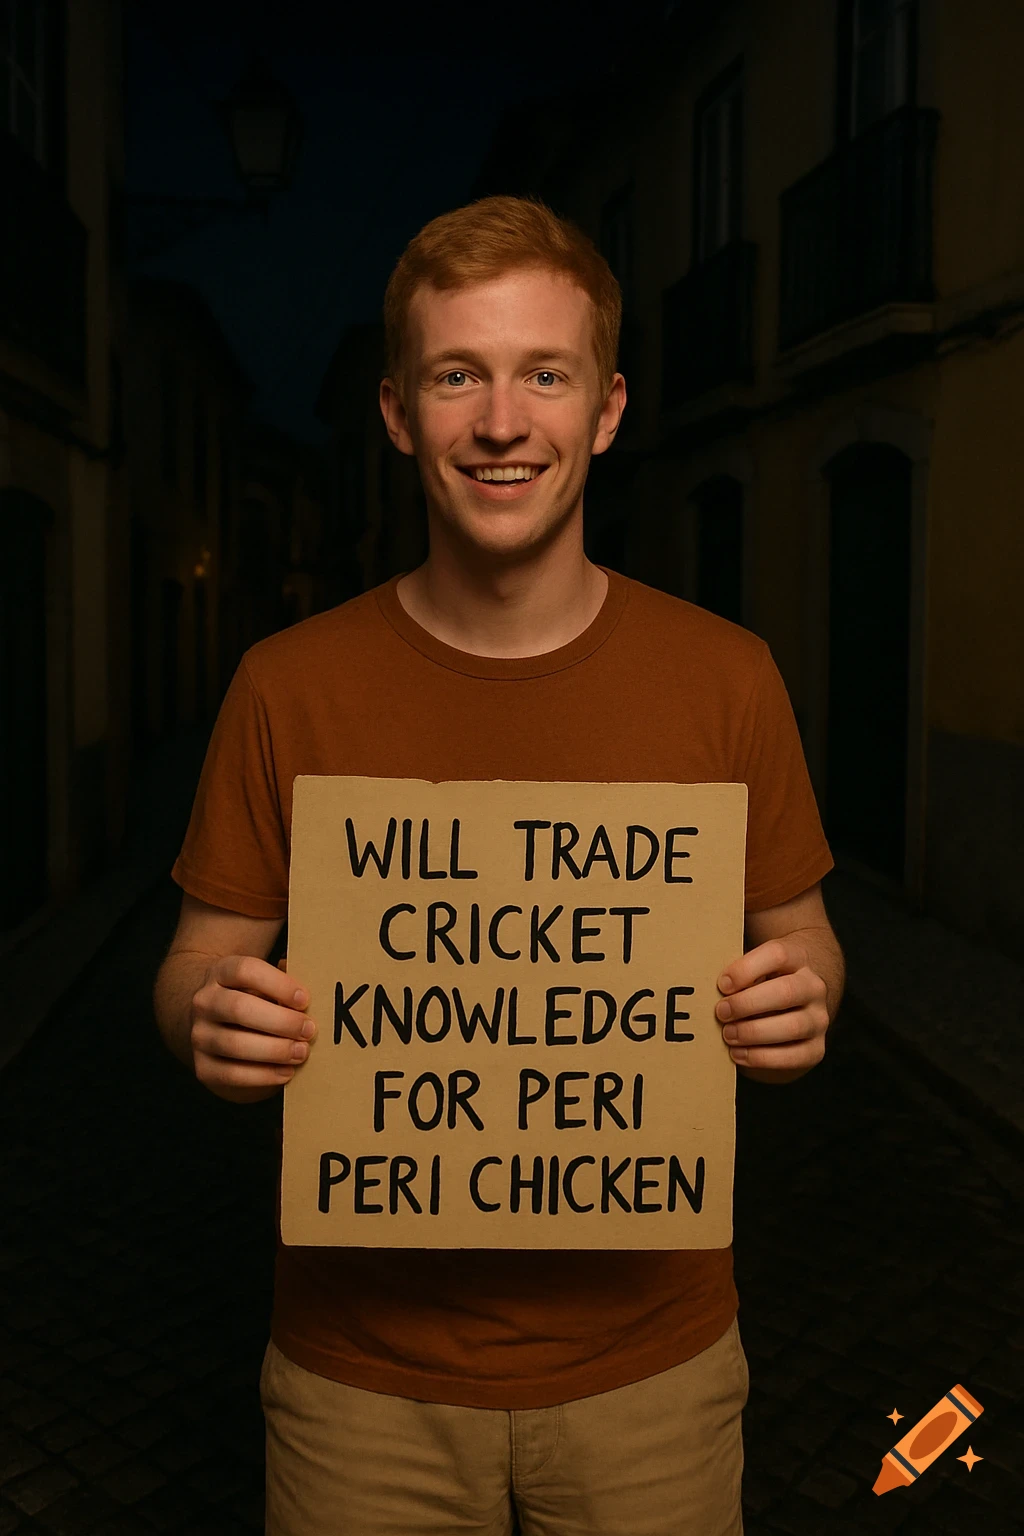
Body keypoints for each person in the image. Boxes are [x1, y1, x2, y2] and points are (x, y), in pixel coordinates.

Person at [154, 195, 845, 1536]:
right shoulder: (284, 686)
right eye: (458, 374)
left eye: (545, 373)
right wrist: (211, 1016)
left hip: (656, 1374)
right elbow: (196, 957)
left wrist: (797, 996)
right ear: (400, 413)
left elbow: (804, 933)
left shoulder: (728, 679)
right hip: (358, 1389)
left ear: (608, 408)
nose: (502, 419)